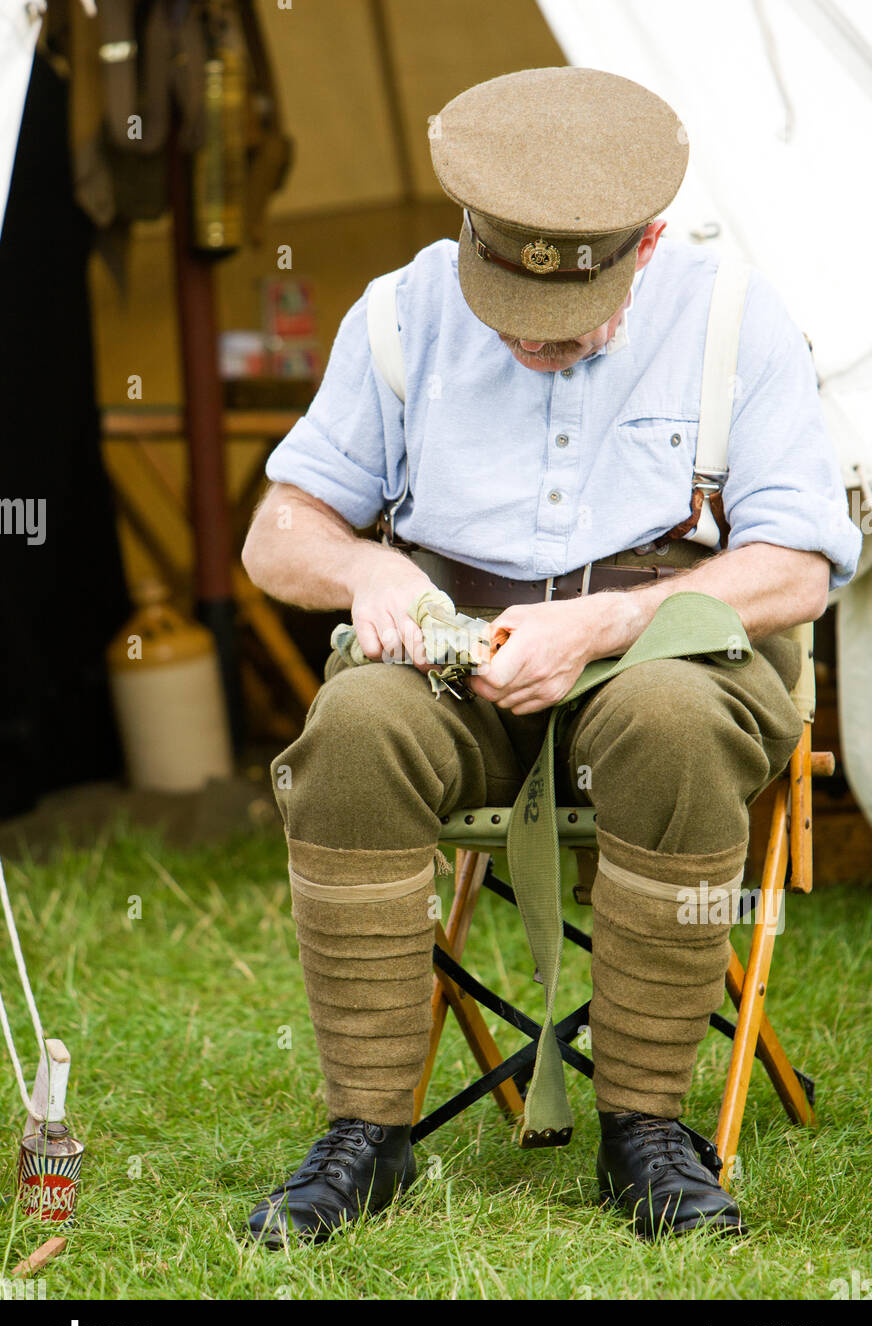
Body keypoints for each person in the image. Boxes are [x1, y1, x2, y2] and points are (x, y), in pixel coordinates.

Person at [240, 67, 861, 1246]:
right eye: (508, 316)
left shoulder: (733, 315)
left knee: (672, 719)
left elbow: (797, 565)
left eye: (573, 324)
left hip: (664, 660)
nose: (538, 344)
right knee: (357, 729)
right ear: (472, 237)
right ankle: (363, 1137)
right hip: (456, 664)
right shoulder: (400, 311)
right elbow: (278, 531)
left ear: (648, 240)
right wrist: (372, 571)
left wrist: (606, 623)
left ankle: (646, 1132)